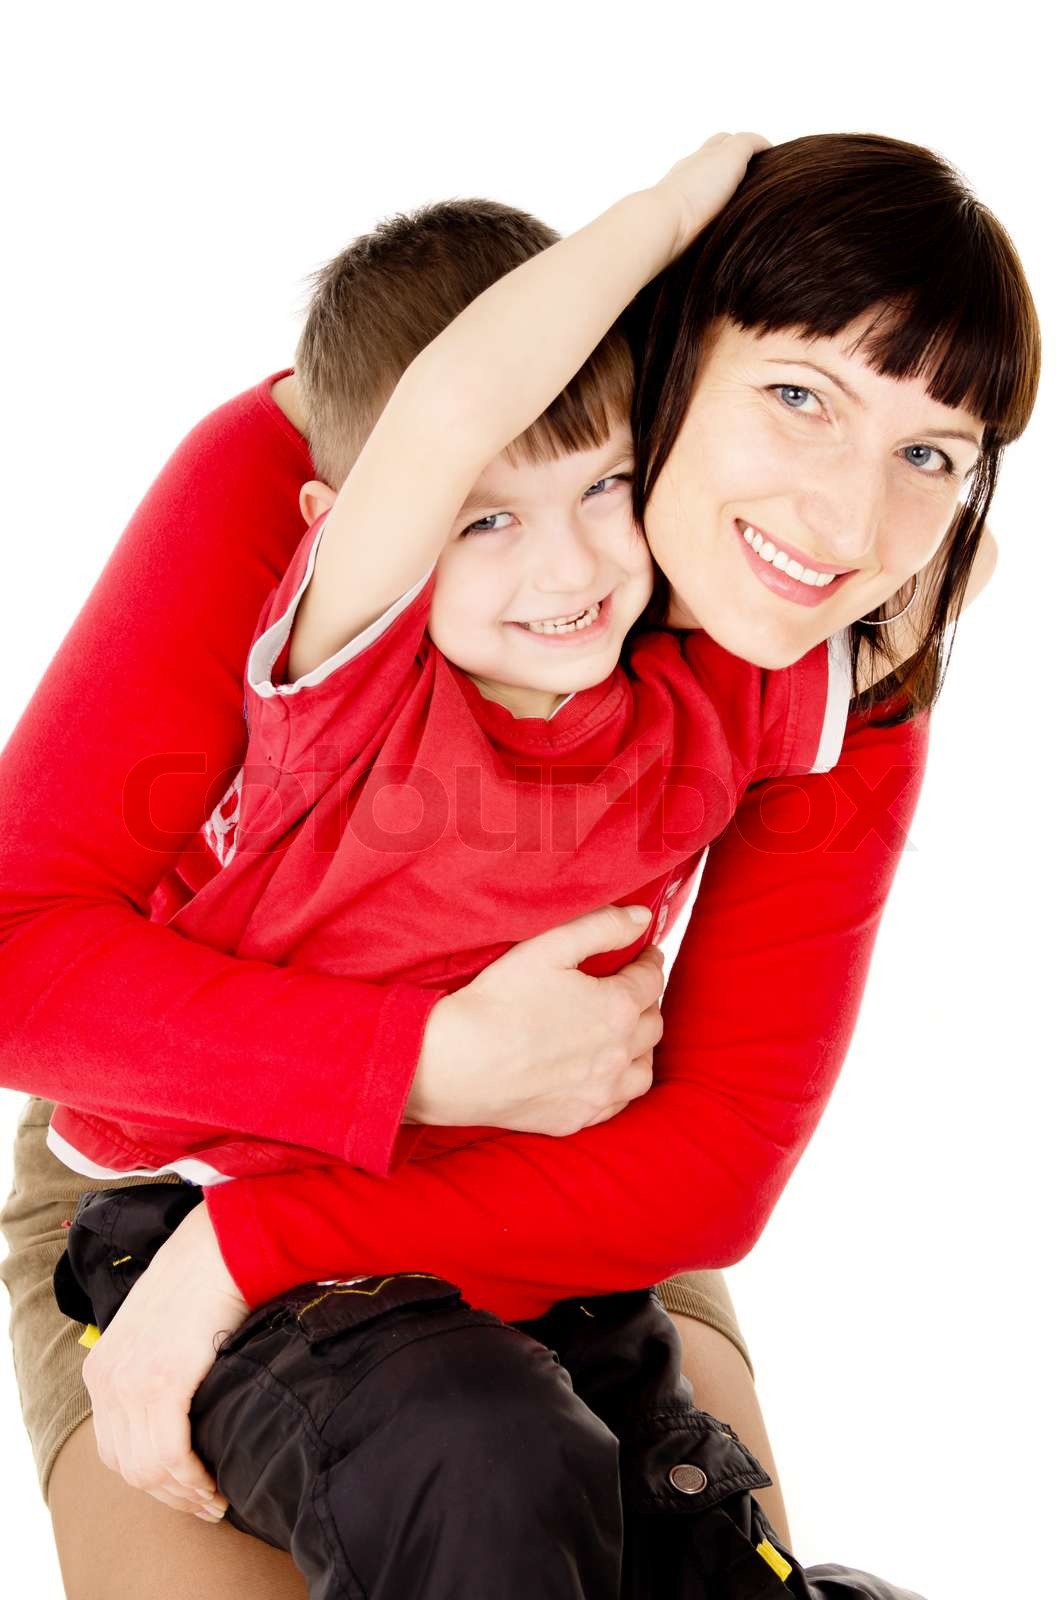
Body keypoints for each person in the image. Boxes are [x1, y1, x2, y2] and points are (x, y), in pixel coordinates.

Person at [0, 129, 1037, 1598]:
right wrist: (421, 1063)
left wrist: (272, 1237)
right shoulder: (355, 518)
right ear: (667, 345)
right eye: (796, 398)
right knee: (474, 1473)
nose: (843, 520)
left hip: (567, 1198)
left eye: (922, 454)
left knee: (681, 1556)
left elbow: (714, 1159)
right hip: (193, 1159)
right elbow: (14, 960)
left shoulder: (832, 642)